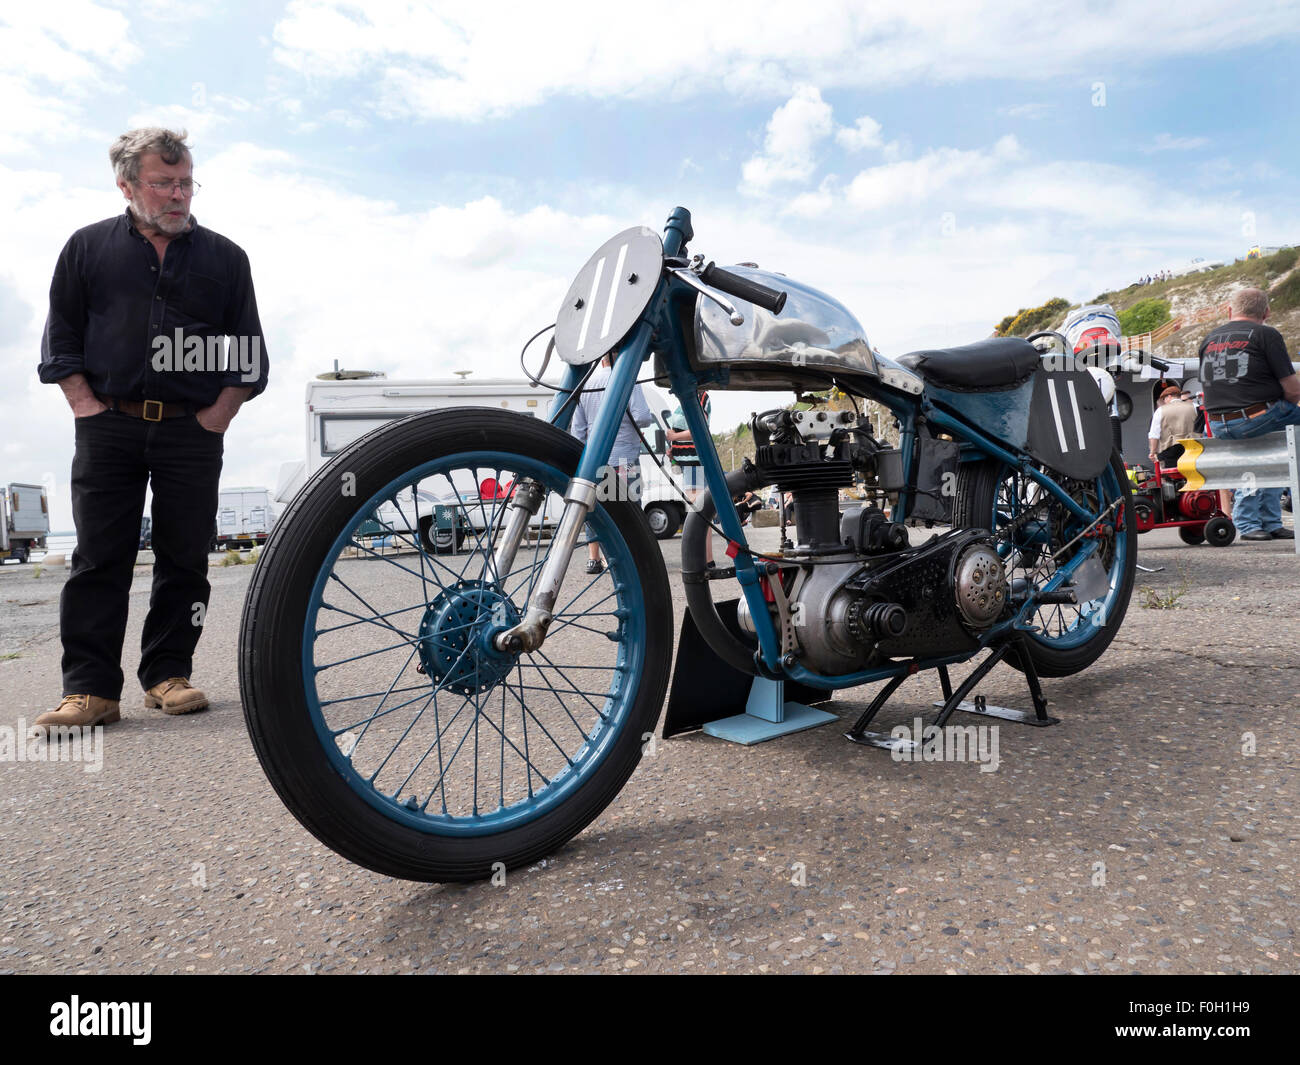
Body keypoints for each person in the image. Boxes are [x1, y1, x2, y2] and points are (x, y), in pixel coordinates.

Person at [35, 127, 268, 730]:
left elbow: (248, 356)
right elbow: (61, 337)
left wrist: (216, 417)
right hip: (107, 425)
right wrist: (84, 403)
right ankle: (90, 690)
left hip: (191, 433)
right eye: (163, 183)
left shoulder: (226, 258)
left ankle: (168, 674)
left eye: (185, 182)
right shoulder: (86, 249)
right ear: (127, 186)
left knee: (185, 556)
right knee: (97, 558)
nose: (177, 194)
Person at [1197, 287, 1300, 541]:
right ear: (1266, 312)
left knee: (1275, 443)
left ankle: (1267, 522)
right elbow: (1293, 390)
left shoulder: (1208, 339)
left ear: (1230, 310)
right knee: (1287, 436)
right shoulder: (1266, 335)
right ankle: (1259, 518)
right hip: (1255, 417)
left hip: (1219, 423)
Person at [568, 353, 654, 573]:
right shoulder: (628, 379)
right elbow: (643, 417)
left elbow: (578, 430)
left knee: (594, 509)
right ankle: (634, 558)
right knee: (630, 508)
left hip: (595, 460)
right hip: (624, 457)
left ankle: (594, 559)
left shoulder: (586, 384)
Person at [666, 390, 714, 566]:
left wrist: (674, 437)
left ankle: (704, 560)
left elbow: (699, 427)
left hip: (694, 460)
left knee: (698, 510)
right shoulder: (685, 399)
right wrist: (674, 449)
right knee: (699, 509)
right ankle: (706, 560)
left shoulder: (701, 396)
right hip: (687, 462)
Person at [1147, 384, 1198, 470]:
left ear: (1169, 397)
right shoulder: (1195, 407)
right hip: (1193, 451)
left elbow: (1154, 435)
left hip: (1171, 455)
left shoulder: (1160, 411)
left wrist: (1153, 452)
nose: (1164, 402)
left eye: (1164, 399)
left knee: (1174, 478)